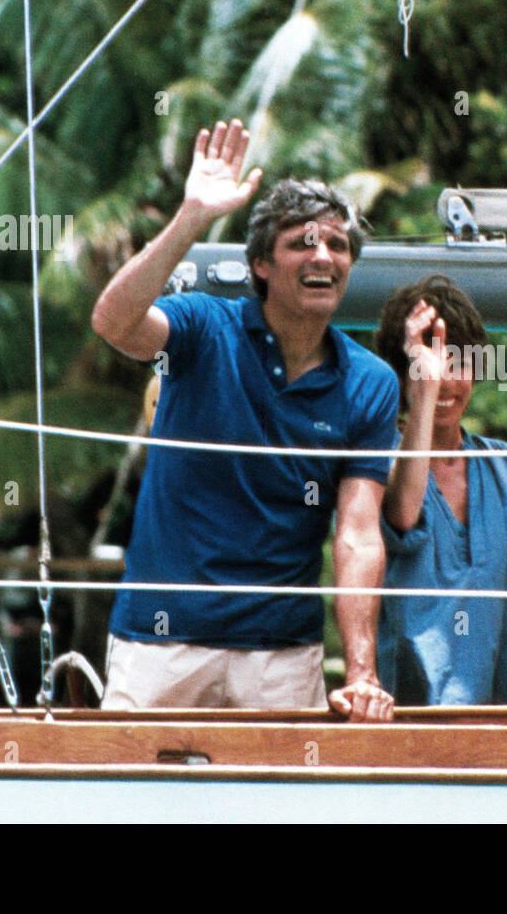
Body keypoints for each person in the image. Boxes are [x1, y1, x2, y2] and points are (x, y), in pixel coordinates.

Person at [91, 118, 397, 721]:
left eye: (337, 246)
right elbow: (114, 324)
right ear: (261, 264)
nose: (323, 256)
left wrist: (362, 674)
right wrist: (193, 218)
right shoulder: (204, 327)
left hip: (282, 655)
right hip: (162, 642)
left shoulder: (371, 382)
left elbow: (358, 535)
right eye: (302, 243)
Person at [371, 276, 507, 705]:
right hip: (410, 716)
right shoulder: (376, 459)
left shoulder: (505, 465)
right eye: (429, 363)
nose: (445, 381)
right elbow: (402, 515)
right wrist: (422, 392)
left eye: (458, 363)